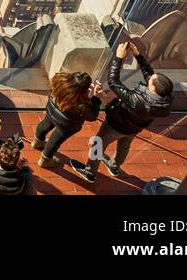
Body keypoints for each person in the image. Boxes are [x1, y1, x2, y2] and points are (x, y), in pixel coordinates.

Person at [71, 41, 173, 182]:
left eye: (152, 81)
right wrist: (137, 54)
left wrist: (118, 58)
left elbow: (113, 81)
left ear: (153, 89)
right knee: (124, 147)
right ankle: (114, 166)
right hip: (135, 127)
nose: (151, 77)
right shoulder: (165, 101)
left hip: (116, 125)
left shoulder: (137, 100)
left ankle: (90, 172)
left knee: (98, 144)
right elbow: (150, 75)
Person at [34, 71, 102, 168]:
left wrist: (81, 85)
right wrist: (96, 98)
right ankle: (45, 160)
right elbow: (92, 116)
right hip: (66, 125)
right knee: (55, 140)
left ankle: (37, 142)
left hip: (52, 111)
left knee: (45, 125)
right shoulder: (82, 104)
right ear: (83, 90)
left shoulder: (60, 80)